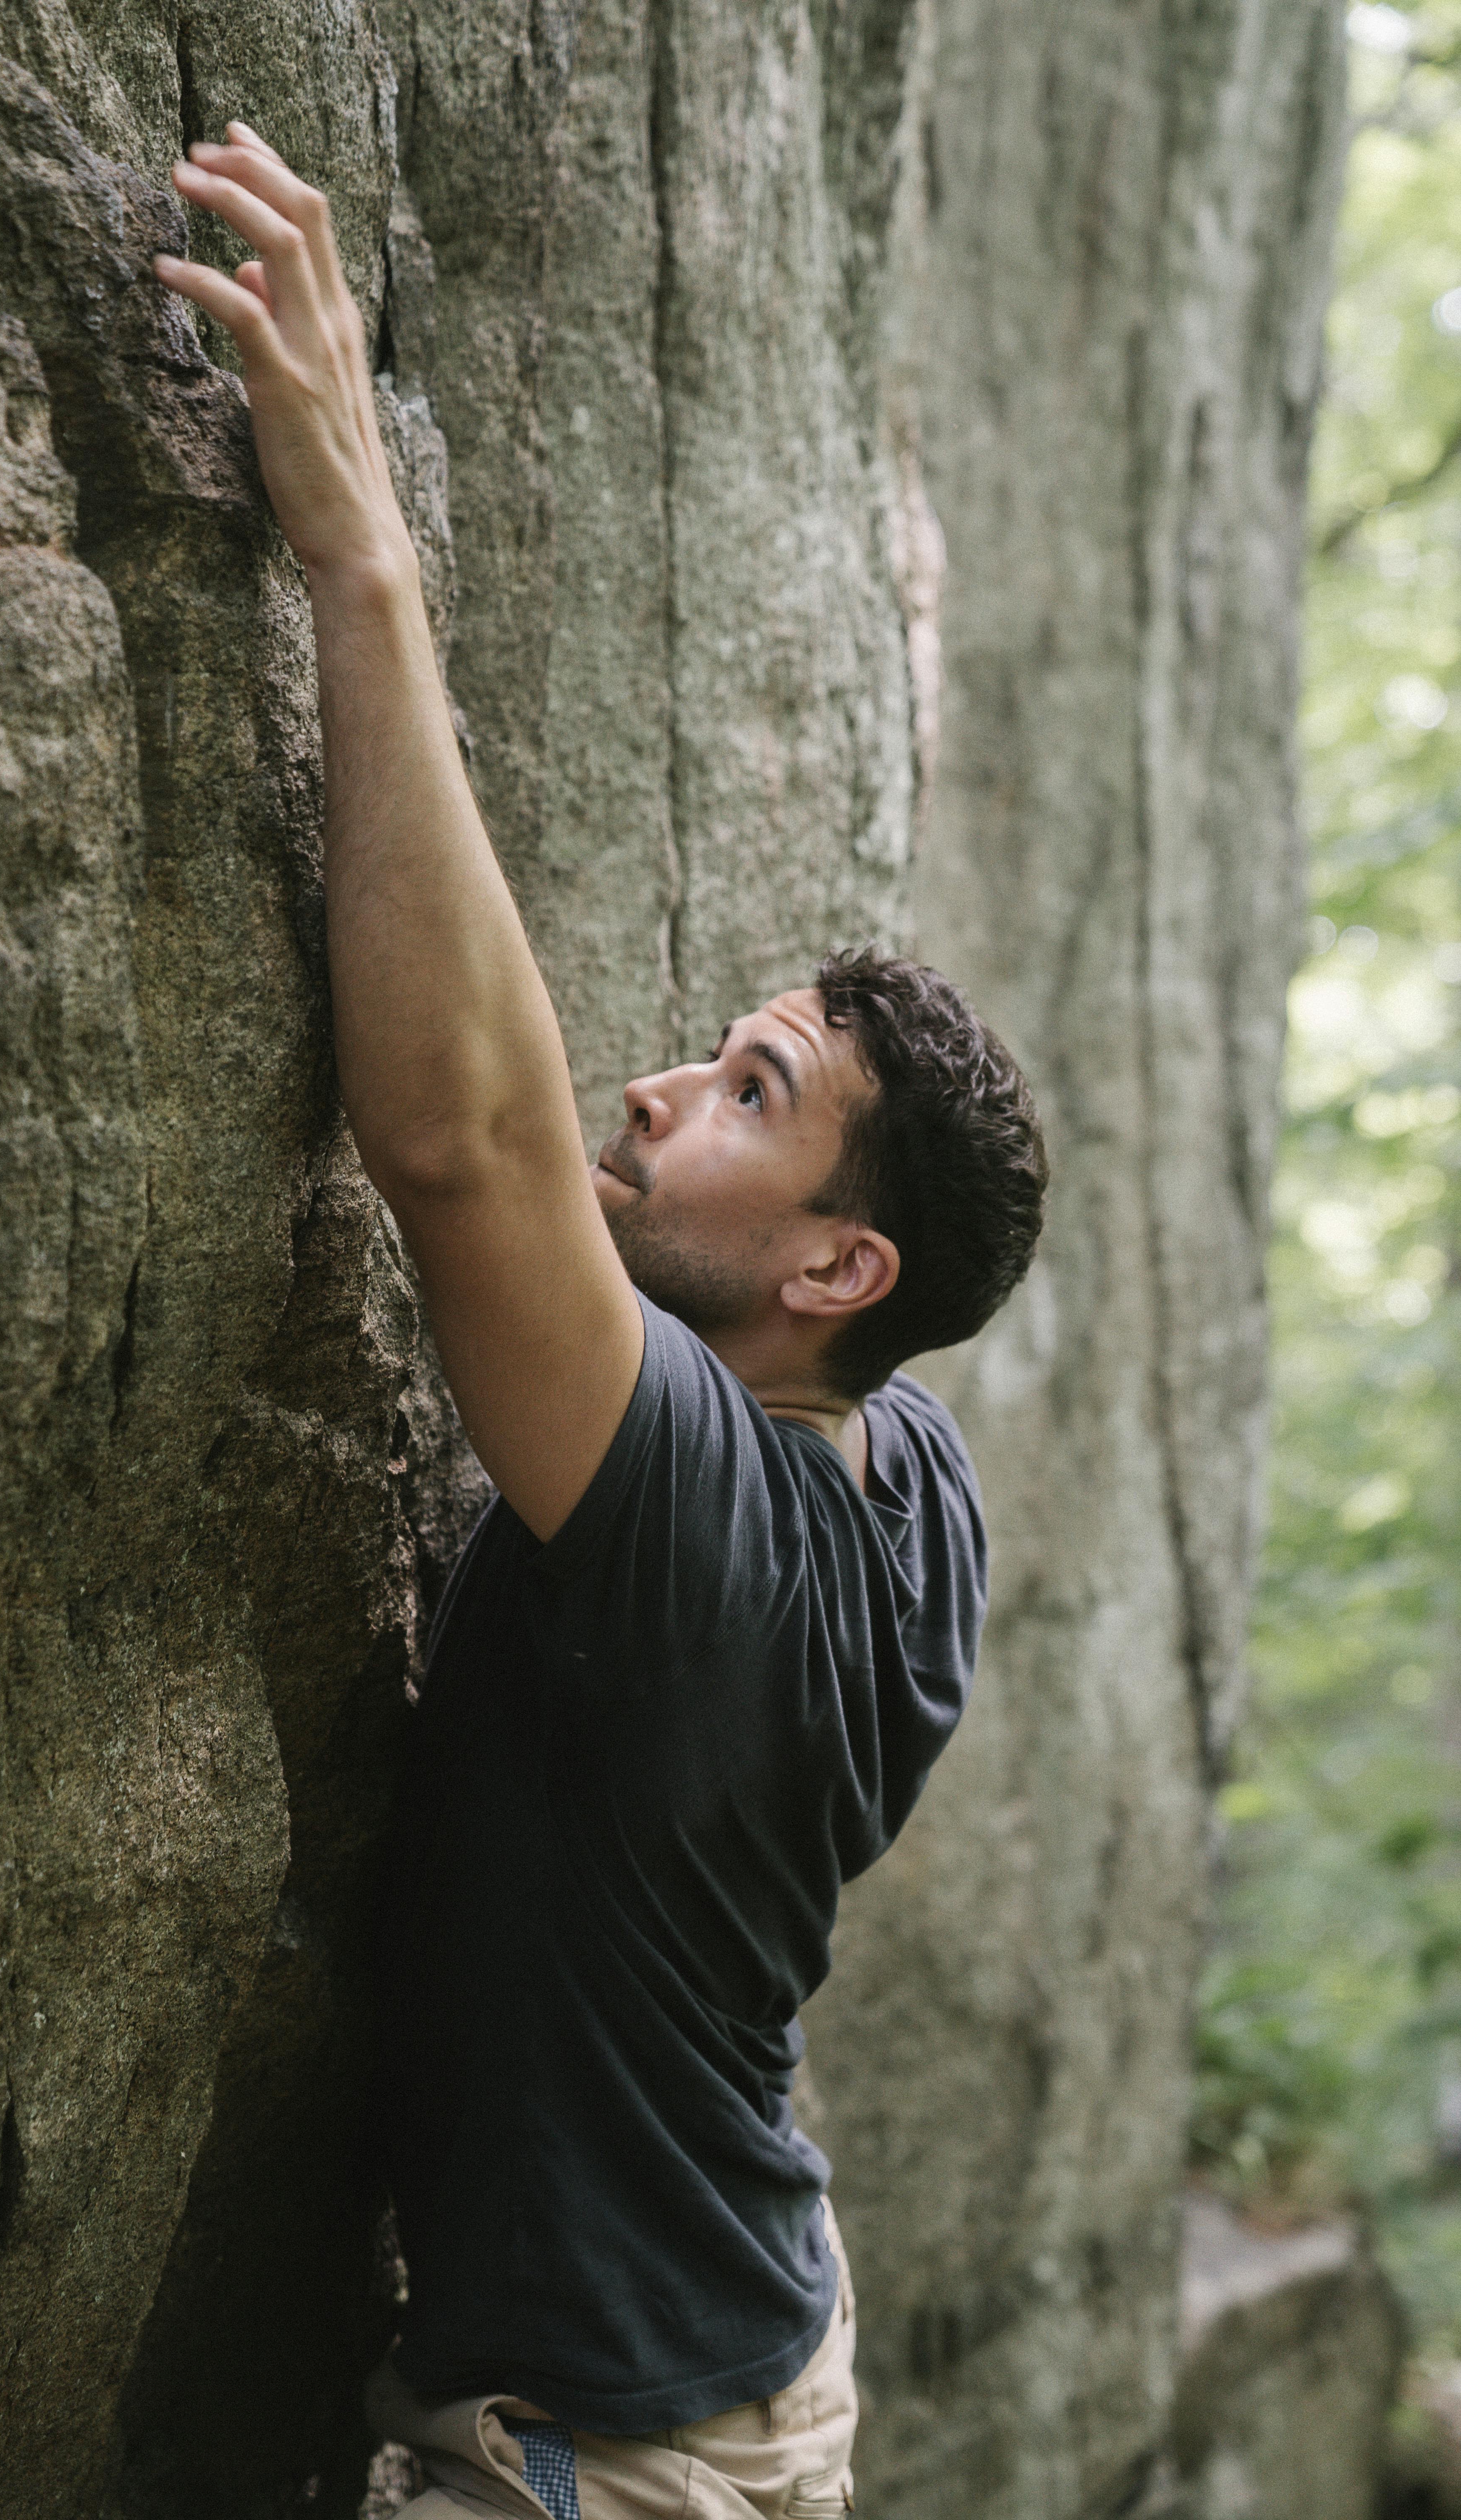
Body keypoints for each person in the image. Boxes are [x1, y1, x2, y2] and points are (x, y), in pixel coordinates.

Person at [155, 123, 1046, 2520]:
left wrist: (358, 544)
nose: (659, 1090)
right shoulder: (909, 1469)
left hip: (617, 2462)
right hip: (756, 2337)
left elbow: (467, 1144)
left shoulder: (704, 1536)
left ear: (840, 1275)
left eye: (750, 1092)